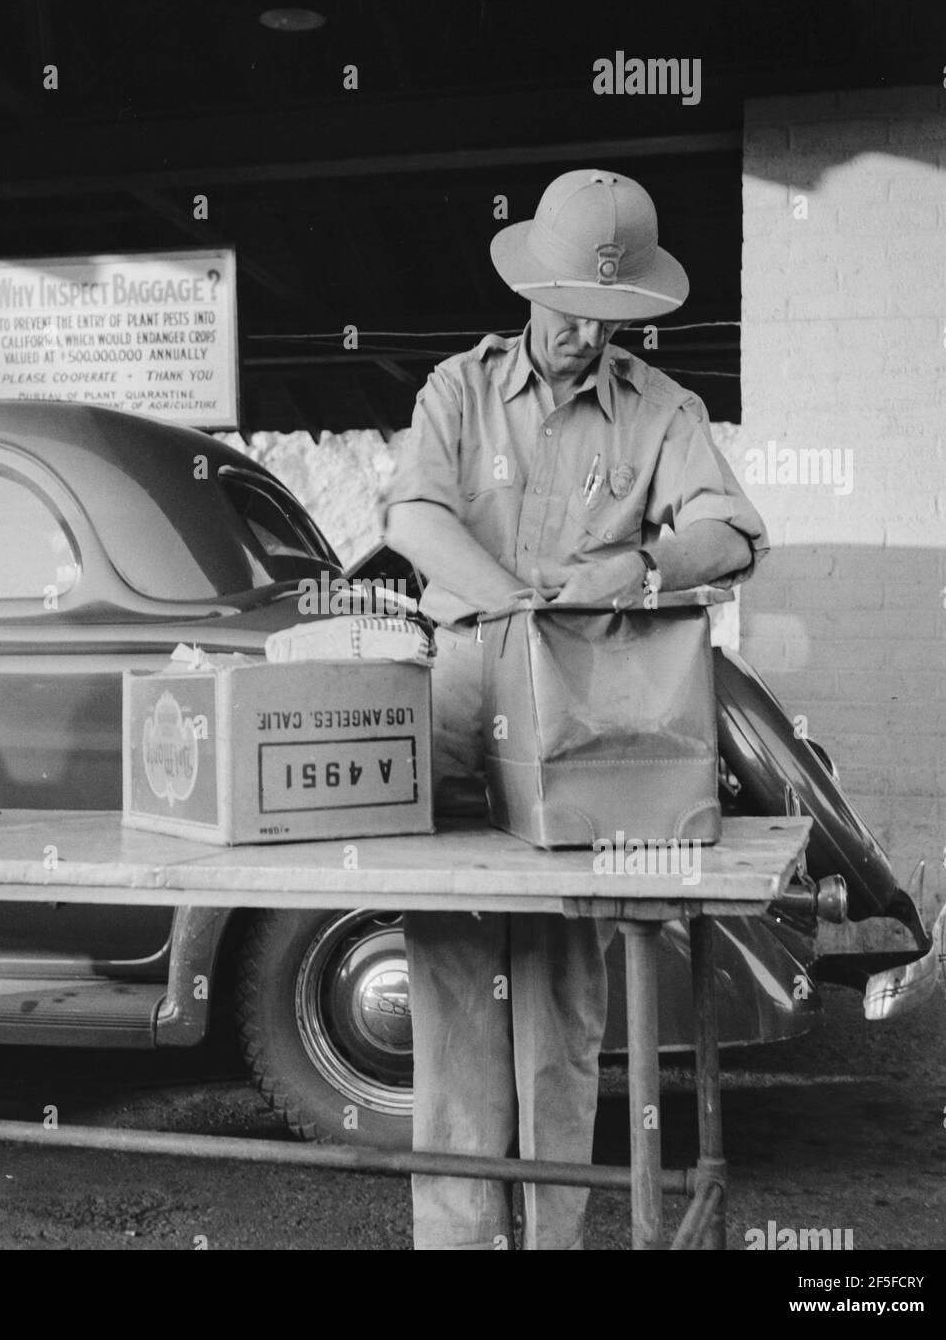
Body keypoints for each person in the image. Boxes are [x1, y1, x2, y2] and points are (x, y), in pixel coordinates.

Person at [383, 169, 769, 1250]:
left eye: (607, 319)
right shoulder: (457, 391)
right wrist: (514, 605)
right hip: (465, 727)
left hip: (588, 745)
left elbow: (733, 535)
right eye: (567, 310)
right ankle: (459, 1243)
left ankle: (555, 1243)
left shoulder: (660, 410)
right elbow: (413, 513)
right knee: (457, 1004)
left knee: (561, 1018)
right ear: (530, 288)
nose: (582, 335)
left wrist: (636, 571)